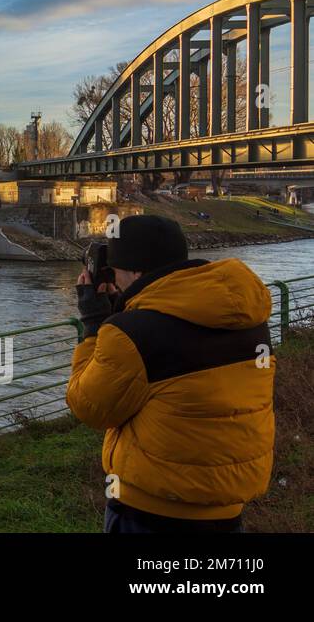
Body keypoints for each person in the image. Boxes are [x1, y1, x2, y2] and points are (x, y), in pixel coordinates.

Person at [66, 214, 275, 533]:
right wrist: (124, 312)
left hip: (151, 512)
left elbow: (90, 406)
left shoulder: (131, 333)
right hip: (226, 510)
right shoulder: (248, 318)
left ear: (134, 271)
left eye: (116, 270)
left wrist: (96, 324)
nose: (115, 278)